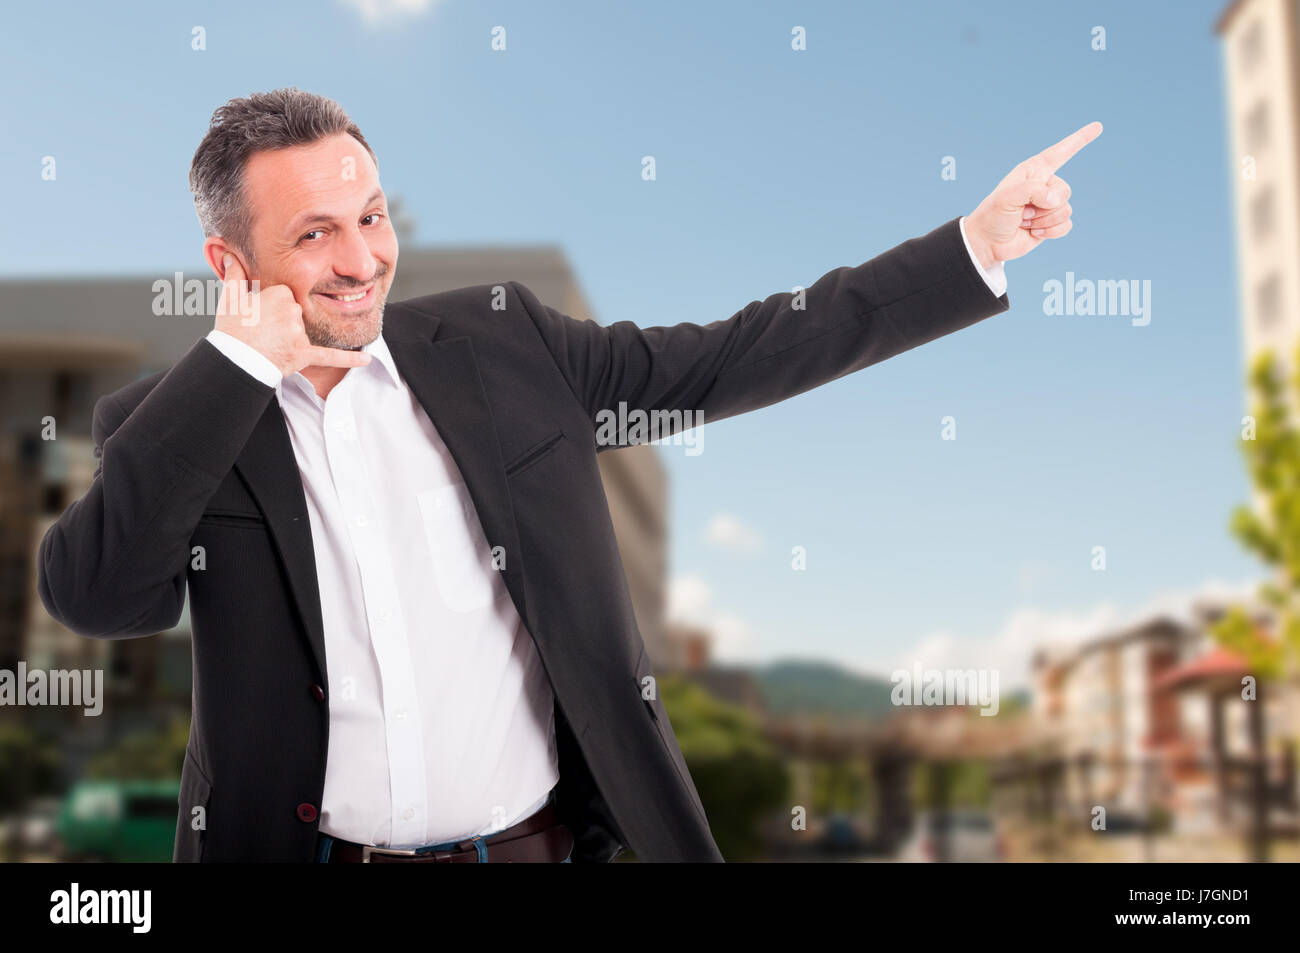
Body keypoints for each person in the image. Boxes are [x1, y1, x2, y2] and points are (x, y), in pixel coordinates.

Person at [36, 88, 1100, 862]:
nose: (361, 259)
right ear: (230, 265)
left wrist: (969, 246)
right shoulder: (174, 419)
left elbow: (738, 352)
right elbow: (98, 596)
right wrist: (234, 366)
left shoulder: (505, 346)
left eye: (370, 217)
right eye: (314, 234)